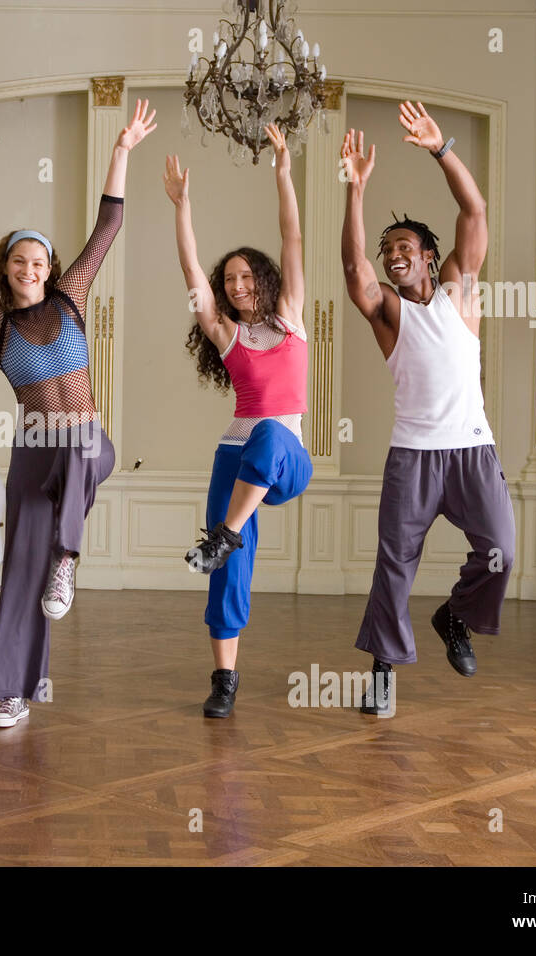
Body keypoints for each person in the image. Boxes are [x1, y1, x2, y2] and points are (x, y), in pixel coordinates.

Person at [0, 101, 156, 728]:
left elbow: (108, 228)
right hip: (32, 453)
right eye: (20, 261)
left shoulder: (71, 298)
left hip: (89, 440)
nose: (30, 269)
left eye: (40, 262)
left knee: (79, 439)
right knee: (20, 574)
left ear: (51, 270)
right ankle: (15, 692)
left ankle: (68, 559)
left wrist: (122, 153)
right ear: (8, 269)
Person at [339, 101, 516, 715]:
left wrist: (442, 149)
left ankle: (455, 616)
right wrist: (356, 190)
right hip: (413, 457)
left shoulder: (458, 290)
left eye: (405, 245)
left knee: (500, 550)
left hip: (471, 448)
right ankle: (383, 674)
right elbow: (352, 269)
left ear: (429, 254)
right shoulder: (392, 314)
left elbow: (475, 209)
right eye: (388, 247)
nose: (393, 254)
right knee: (394, 567)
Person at [164, 124, 313, 719]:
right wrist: (183, 208)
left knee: (272, 431)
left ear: (266, 280)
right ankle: (224, 679)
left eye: (247, 275)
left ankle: (224, 536)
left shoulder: (294, 317)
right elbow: (191, 272)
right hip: (236, 455)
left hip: (286, 458)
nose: (237, 284)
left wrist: (282, 170)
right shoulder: (226, 335)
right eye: (230, 281)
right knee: (230, 571)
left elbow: (293, 233)